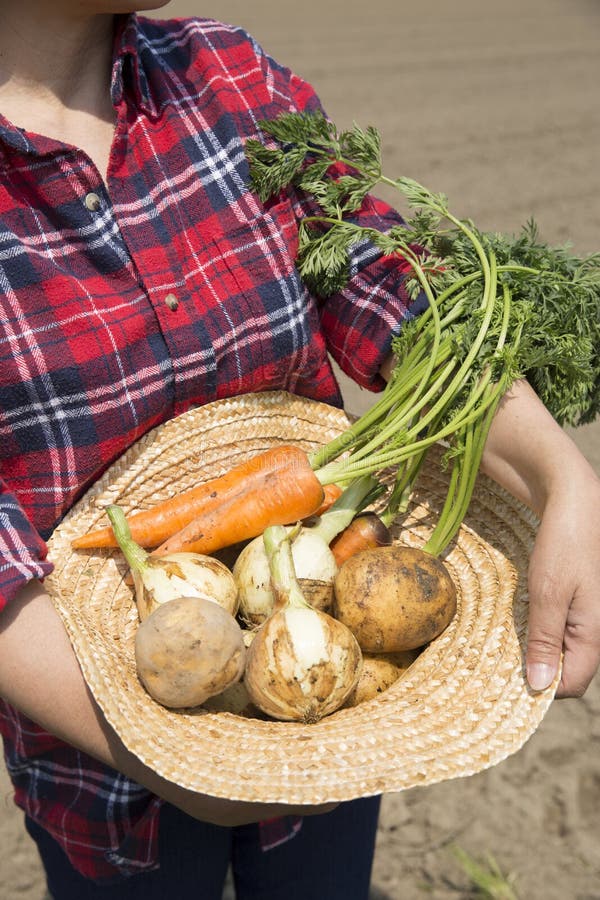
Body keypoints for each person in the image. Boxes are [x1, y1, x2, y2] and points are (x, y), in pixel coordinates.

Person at [0, 2, 598, 898]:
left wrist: (563, 476)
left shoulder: (228, 76)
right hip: (97, 755)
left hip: (329, 695)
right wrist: (164, 750)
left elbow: (388, 288)